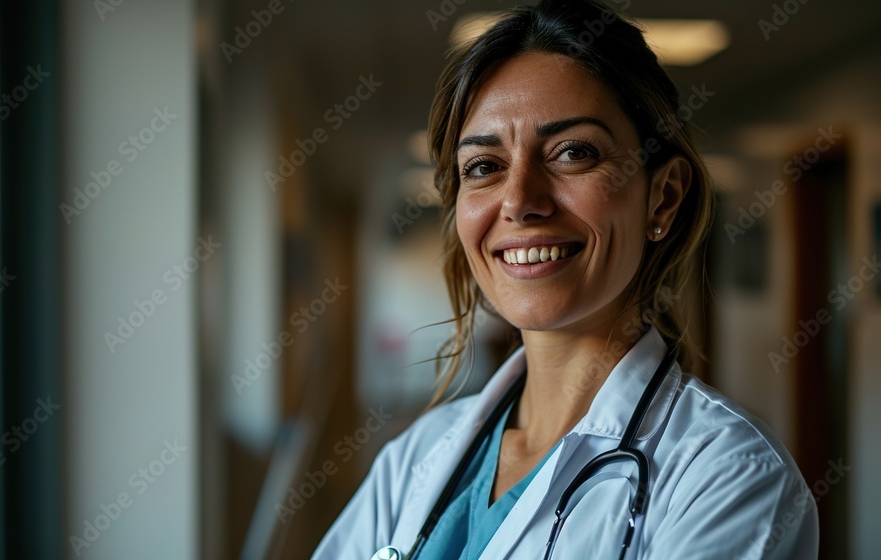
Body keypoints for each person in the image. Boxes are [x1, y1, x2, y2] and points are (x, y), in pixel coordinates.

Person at [313, 1, 818, 558]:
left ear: (663, 197)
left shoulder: (727, 476)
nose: (519, 200)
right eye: (484, 166)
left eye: (573, 153)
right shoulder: (415, 460)